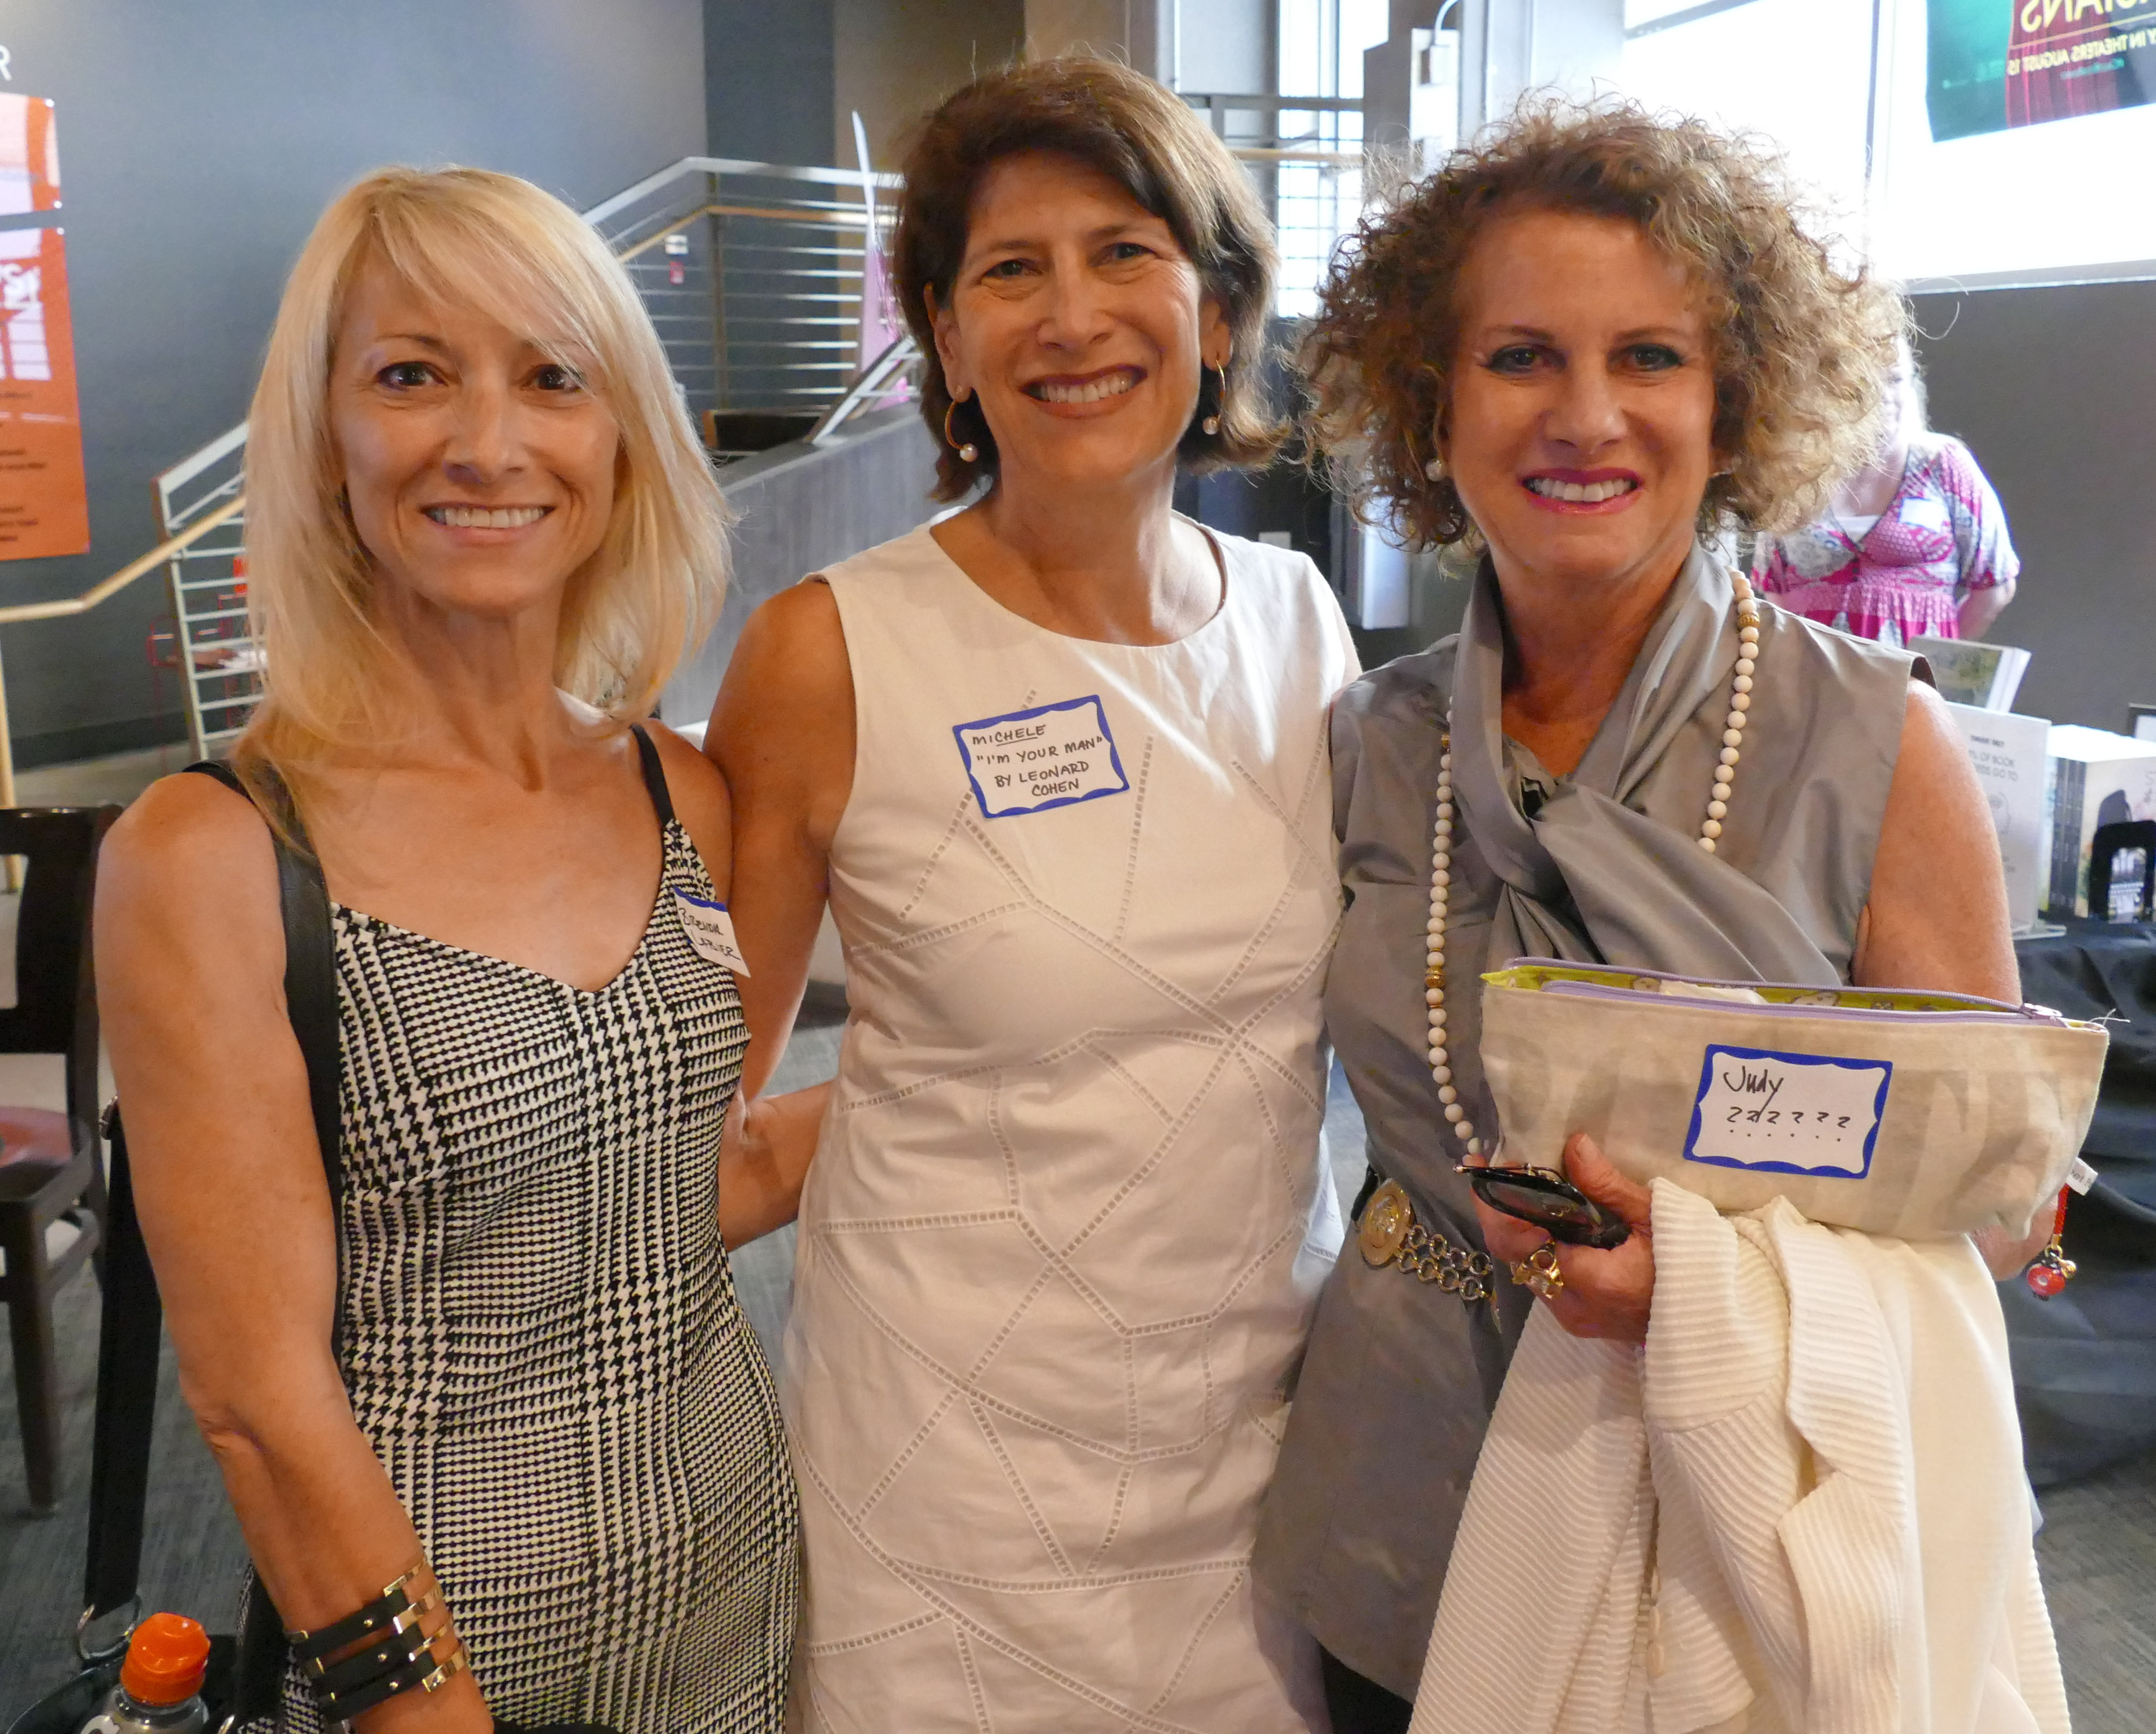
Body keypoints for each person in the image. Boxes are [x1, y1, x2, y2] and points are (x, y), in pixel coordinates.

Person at [1252, 102, 2056, 1733]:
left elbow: (1996, 1205)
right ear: (1433, 399)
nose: (1586, 416)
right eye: (1520, 358)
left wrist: (1704, 1291)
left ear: (1733, 395)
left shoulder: (1872, 743)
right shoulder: (1374, 733)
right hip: (1392, 1499)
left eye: (1651, 359)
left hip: (1727, 1525)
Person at [96, 168, 798, 1733]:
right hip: (442, 1659)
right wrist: (425, 1708)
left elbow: (678, 1180)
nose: (489, 443)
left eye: (553, 377)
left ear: (620, 438)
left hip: (746, 1591)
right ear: (325, 438)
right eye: (412, 375)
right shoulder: (213, 856)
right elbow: (257, 1399)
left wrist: (1001, 1074)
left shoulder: (680, 787)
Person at [705, 58, 1355, 1734]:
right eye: (1010, 269)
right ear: (944, 338)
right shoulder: (831, 649)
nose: (1073, 315)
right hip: (956, 1473)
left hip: (1263, 1442)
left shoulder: (1299, 629)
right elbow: (703, 1115)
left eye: (1124, 252)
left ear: (1215, 313)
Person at [1754, 337, 2019, 645]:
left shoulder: (1942, 464)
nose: (1883, 396)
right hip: (1812, 683)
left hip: (1912, 685)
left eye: (1895, 379)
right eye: (1863, 381)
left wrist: (1937, 663)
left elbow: (1995, 589)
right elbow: (1774, 589)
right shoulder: (1796, 471)